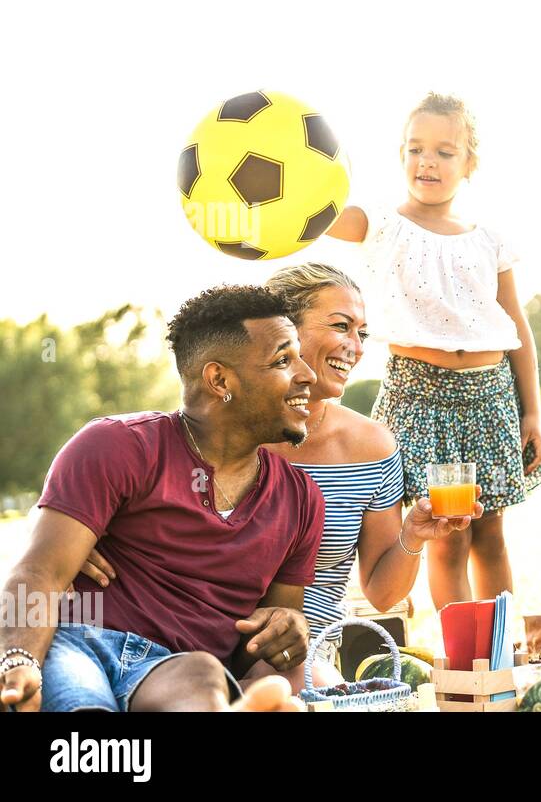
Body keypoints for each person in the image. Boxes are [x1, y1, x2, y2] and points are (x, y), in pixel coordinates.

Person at [77, 264, 483, 690]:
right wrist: (84, 539)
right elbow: (95, 492)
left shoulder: (373, 447)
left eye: (361, 333)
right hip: (178, 651)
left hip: (298, 659)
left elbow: (382, 594)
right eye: (341, 326)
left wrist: (413, 535)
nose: (355, 347)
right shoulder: (217, 430)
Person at [1, 286, 322, 711]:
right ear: (220, 380)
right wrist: (18, 660)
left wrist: (288, 631)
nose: (307, 374)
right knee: (84, 708)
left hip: (178, 665)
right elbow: (39, 571)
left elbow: (261, 640)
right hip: (79, 640)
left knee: (204, 676)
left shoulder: (300, 501)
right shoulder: (116, 446)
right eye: (284, 360)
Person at [325, 92, 541, 609]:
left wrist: (531, 409)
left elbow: (517, 327)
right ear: (400, 155)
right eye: (415, 148)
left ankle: (502, 653)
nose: (427, 161)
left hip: (490, 398)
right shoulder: (380, 224)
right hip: (421, 397)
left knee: (491, 535)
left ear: (469, 164)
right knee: (449, 535)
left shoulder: (488, 240)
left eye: (445, 152)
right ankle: (466, 663)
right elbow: (318, 216)